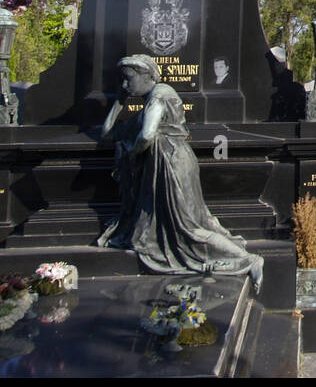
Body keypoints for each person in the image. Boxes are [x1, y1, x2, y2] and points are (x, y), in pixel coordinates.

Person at [96, 54, 264, 288]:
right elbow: (107, 132)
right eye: (123, 80)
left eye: (128, 79)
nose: (125, 84)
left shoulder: (160, 94)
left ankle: (250, 260)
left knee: (190, 227)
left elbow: (146, 134)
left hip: (172, 164)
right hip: (166, 163)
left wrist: (133, 152)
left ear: (147, 76)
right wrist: (119, 101)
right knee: (190, 225)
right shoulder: (148, 100)